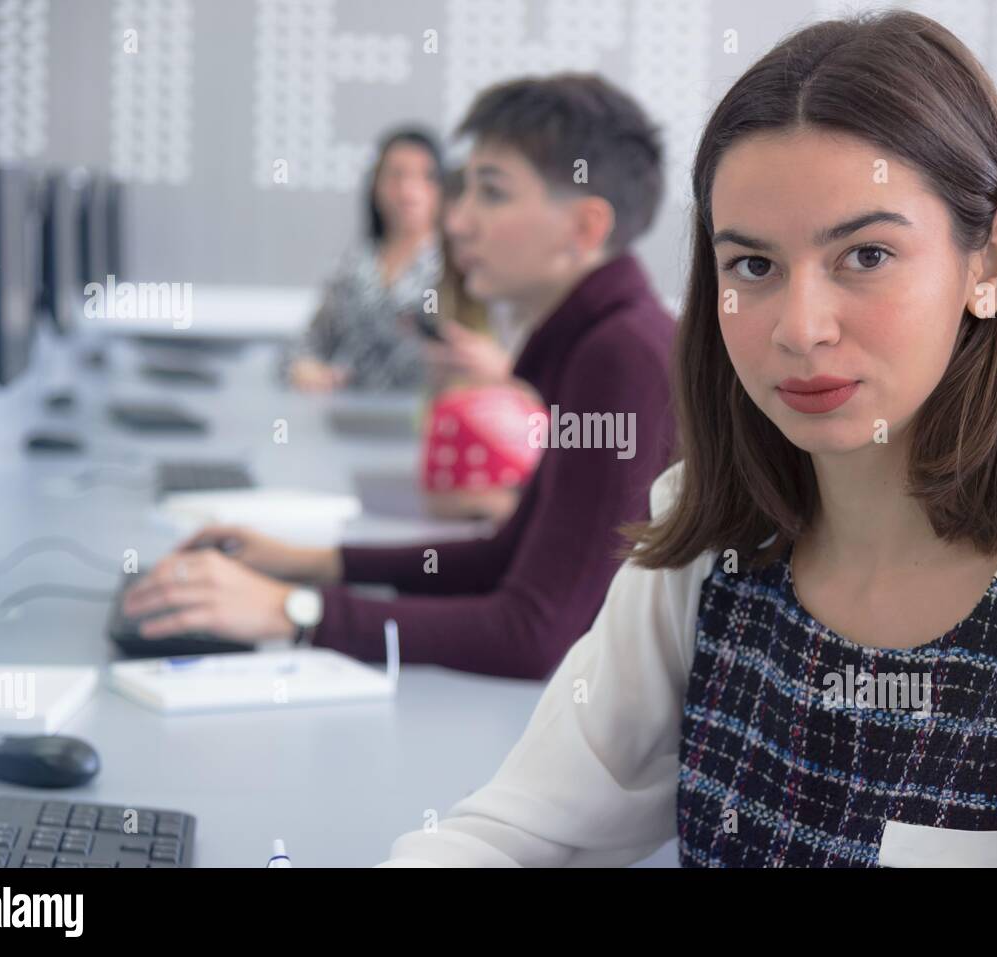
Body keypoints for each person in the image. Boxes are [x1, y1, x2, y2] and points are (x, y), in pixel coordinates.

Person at [371, 11, 997, 867]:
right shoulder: (707, 545)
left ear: (991, 263)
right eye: (753, 266)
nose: (800, 328)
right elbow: (514, 829)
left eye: (865, 255)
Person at [124, 74, 677, 681]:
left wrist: (292, 612)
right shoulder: (601, 341)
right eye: (461, 191)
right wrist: (309, 563)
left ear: (585, 228)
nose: (457, 222)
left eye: (490, 194)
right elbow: (506, 557)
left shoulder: (618, 359)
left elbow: (536, 634)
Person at [282, 127, 449, 393]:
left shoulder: (458, 268)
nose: (408, 190)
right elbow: (307, 344)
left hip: (426, 418)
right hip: (353, 419)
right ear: (376, 185)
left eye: (426, 177)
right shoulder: (353, 267)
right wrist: (306, 368)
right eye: (396, 175)